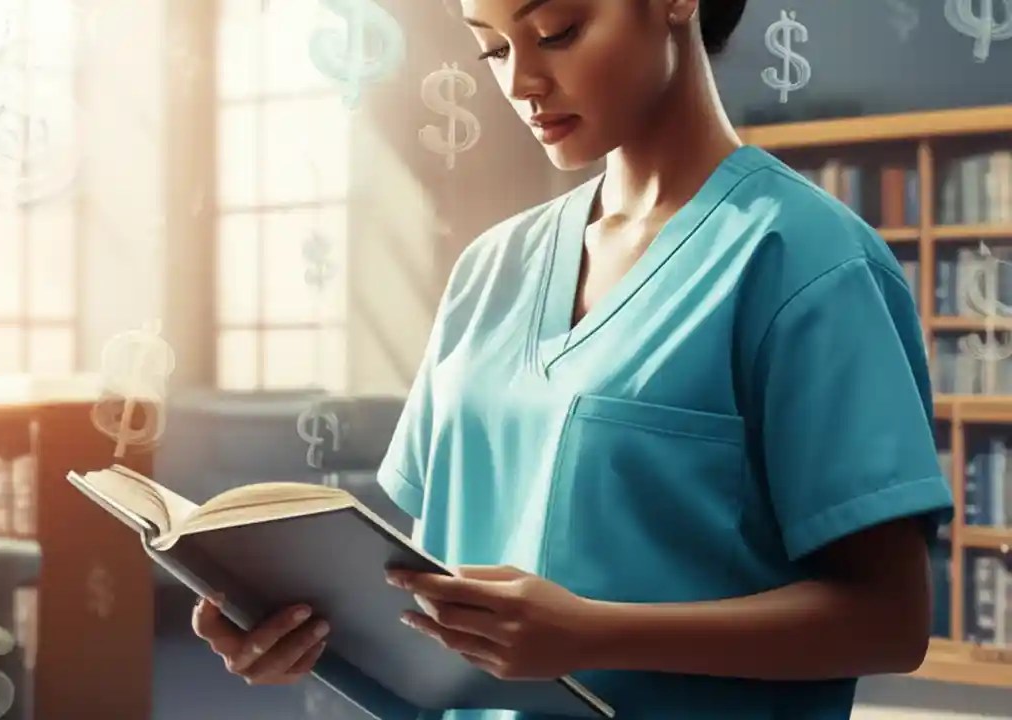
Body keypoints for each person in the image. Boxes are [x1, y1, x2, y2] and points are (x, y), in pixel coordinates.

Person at [192, 0, 956, 717]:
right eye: (492, 47)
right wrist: (298, 630)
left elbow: (888, 621)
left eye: (556, 31)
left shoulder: (806, 262)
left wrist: (596, 633)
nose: (521, 82)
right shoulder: (490, 268)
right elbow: (427, 589)